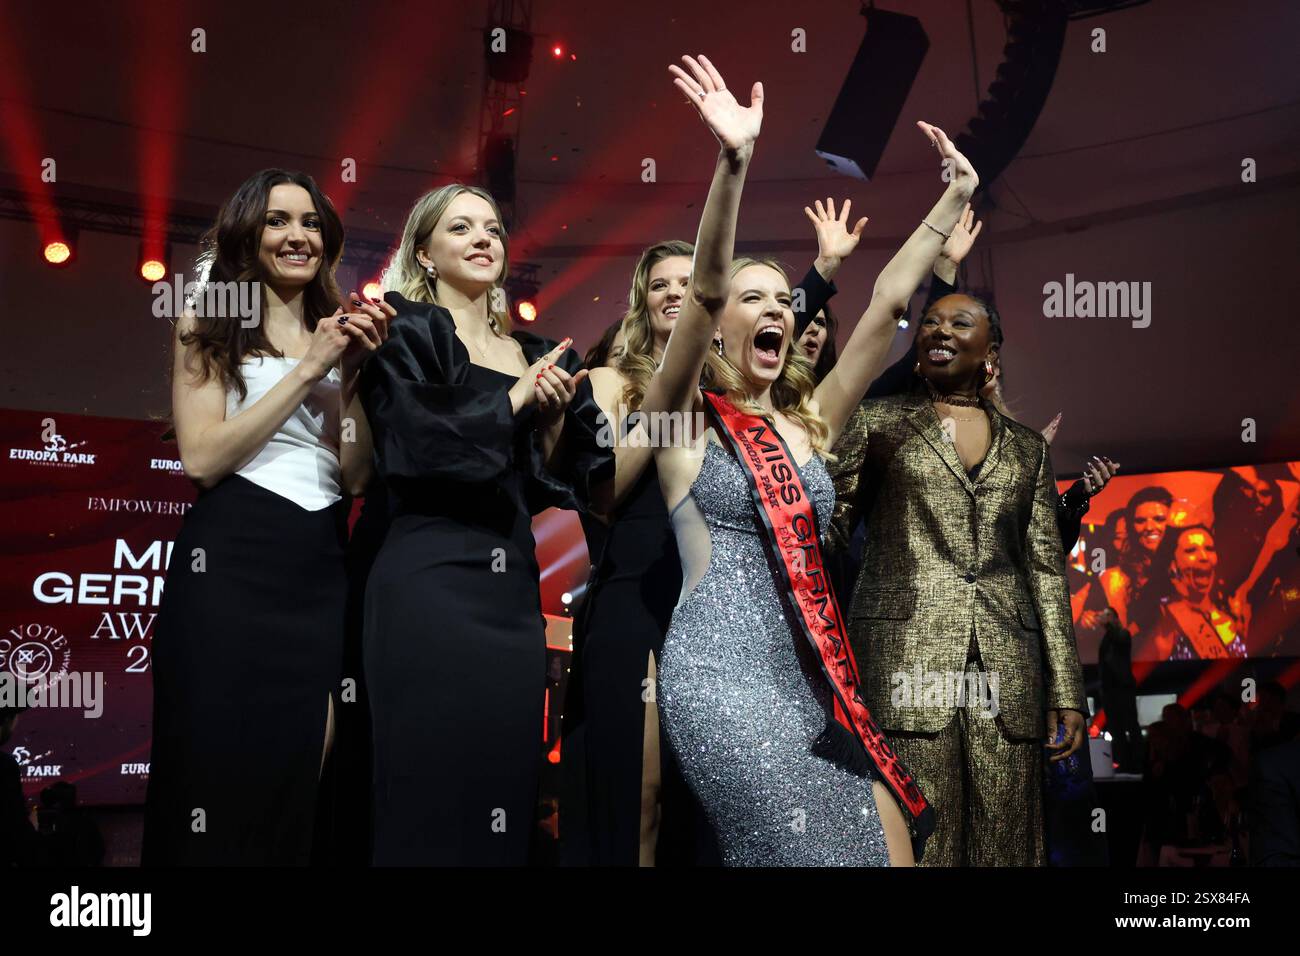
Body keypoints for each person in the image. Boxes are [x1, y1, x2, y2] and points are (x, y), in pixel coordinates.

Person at [644, 54, 981, 866]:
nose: (772, 311)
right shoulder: (676, 422)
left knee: (891, 851)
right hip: (721, 681)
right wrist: (734, 160)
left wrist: (953, 197)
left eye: (780, 302)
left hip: (813, 681)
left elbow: (888, 307)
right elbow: (701, 288)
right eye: (749, 297)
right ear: (720, 323)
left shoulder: (810, 424)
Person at [565, 201, 867, 868]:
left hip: (722, 606)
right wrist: (659, 410)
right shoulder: (623, 384)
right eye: (659, 284)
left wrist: (822, 269)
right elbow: (606, 492)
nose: (678, 292)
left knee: (713, 802)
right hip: (639, 596)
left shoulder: (734, 390)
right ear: (642, 304)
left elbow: (769, 317)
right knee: (640, 796)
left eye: (690, 281)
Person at [360, 183, 613, 865]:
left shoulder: (534, 349)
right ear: (425, 252)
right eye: (461, 227)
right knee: (425, 787)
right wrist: (518, 395)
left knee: (503, 785)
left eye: (493, 229)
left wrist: (555, 416)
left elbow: (564, 483)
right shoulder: (403, 325)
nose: (482, 238)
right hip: (426, 577)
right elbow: (416, 446)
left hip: (508, 590)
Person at [144, 169, 387, 865]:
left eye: (311, 223)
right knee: (215, 776)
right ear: (247, 233)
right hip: (230, 563)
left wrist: (359, 379)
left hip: (317, 561)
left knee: (300, 779)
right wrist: (310, 370)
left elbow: (356, 474)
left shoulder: (336, 335)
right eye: (279, 220)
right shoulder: (209, 317)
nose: (297, 236)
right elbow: (201, 457)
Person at [828, 294, 1090, 863]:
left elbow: (1045, 569)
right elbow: (825, 529)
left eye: (959, 323)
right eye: (930, 322)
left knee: (1008, 842)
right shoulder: (878, 422)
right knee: (920, 838)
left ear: (989, 352)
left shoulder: (1028, 450)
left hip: (1008, 674)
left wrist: (1067, 689)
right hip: (904, 664)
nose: (939, 330)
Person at [1143, 522, 1246, 660]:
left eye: (1209, 549)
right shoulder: (1159, 615)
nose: (1204, 557)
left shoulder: (1228, 619)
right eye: (1191, 550)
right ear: (1172, 565)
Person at [1097, 607, 1141, 772]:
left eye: (1108, 615)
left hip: (1123, 688)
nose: (1104, 618)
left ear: (1116, 618)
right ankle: (1123, 762)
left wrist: (1109, 625)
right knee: (1116, 728)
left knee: (1130, 725)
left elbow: (1119, 642)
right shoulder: (1107, 637)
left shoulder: (1123, 633)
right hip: (1109, 689)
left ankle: (1138, 763)